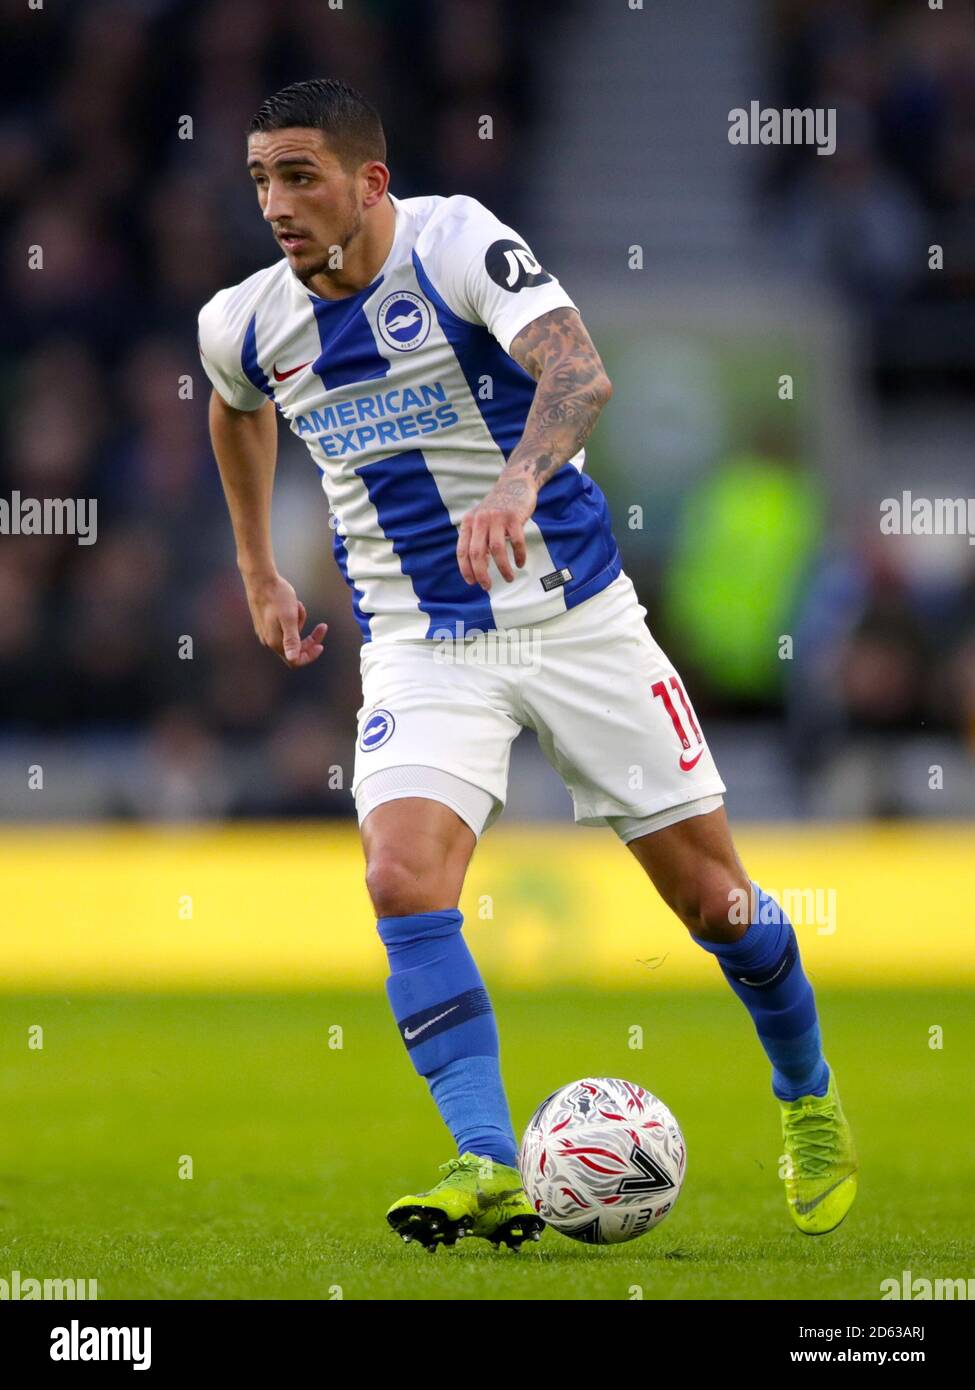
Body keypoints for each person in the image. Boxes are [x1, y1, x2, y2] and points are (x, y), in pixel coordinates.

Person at [199, 77, 857, 1251]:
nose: (277, 205)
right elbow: (233, 406)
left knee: (716, 902)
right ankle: (487, 1160)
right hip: (422, 642)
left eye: (300, 176)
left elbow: (580, 373)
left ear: (370, 182)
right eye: (261, 180)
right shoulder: (245, 321)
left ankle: (806, 1095)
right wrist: (257, 566)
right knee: (402, 878)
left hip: (575, 619)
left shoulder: (457, 244)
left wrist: (514, 485)